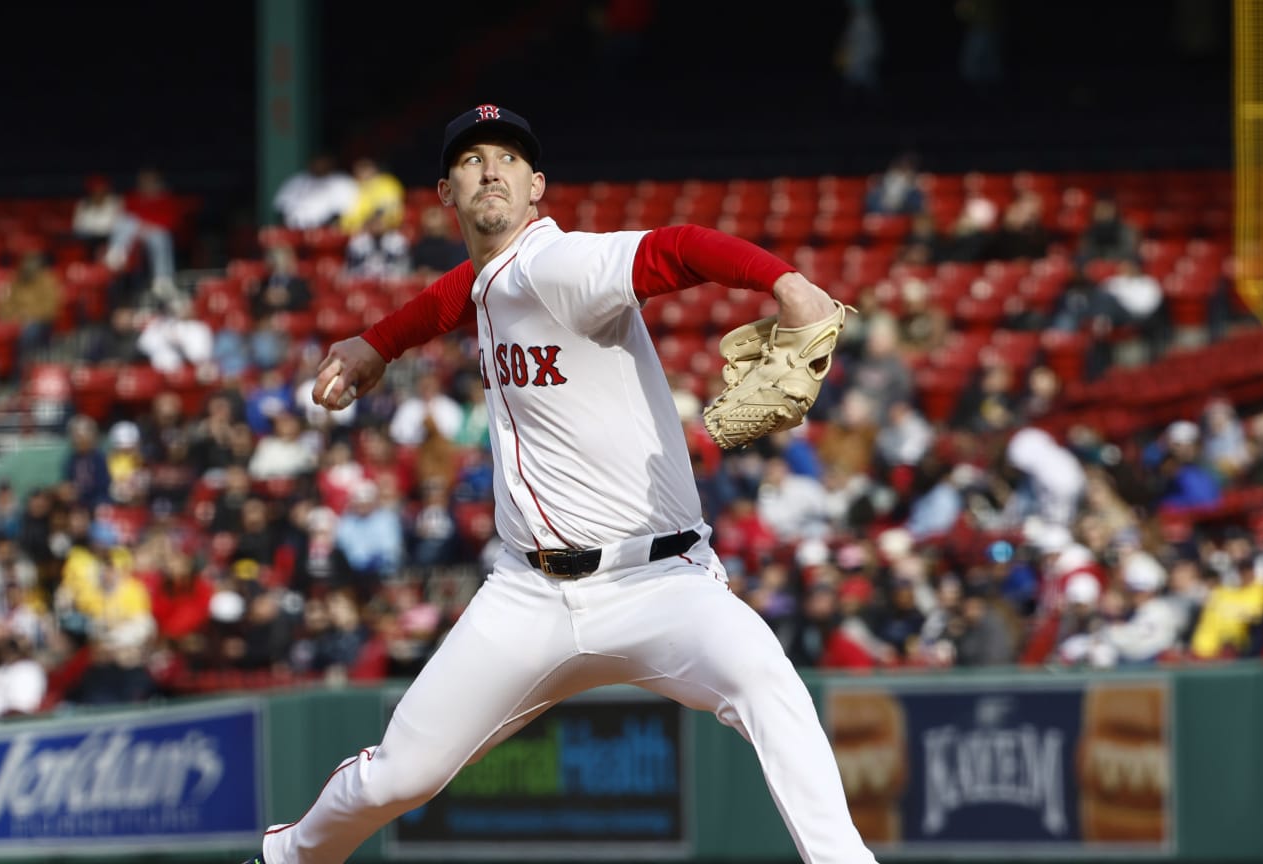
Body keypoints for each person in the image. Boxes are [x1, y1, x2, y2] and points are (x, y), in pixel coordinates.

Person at [250, 105, 875, 864]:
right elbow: (459, 294)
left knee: (765, 681)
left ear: (536, 186)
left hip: (661, 584)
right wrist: (379, 343)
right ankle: (289, 856)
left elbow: (676, 248)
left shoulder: (559, 265)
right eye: (473, 159)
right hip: (531, 597)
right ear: (445, 192)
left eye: (508, 159)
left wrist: (788, 285)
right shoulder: (494, 280)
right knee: (398, 778)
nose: (490, 169)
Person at [273, 153, 359, 230]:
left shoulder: (342, 182)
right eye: (316, 162)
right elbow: (280, 205)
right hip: (294, 230)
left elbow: (343, 213)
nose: (319, 165)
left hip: (326, 233)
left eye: (323, 163)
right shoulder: (298, 180)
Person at [337, 157, 405, 235]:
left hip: (390, 229)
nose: (364, 174)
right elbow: (347, 220)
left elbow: (393, 209)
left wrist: (380, 221)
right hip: (362, 232)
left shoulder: (388, 183)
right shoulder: (353, 189)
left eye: (367, 169)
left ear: (374, 170)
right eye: (360, 171)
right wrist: (362, 225)